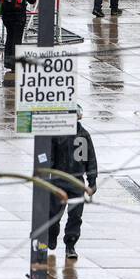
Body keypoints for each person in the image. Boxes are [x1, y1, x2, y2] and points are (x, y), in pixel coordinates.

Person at [48, 105, 98, 260]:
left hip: (77, 183)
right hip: (58, 182)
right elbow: (49, 157)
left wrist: (92, 181)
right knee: (54, 215)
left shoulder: (84, 135)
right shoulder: (57, 135)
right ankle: (52, 235)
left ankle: (70, 245)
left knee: (75, 216)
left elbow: (91, 159)